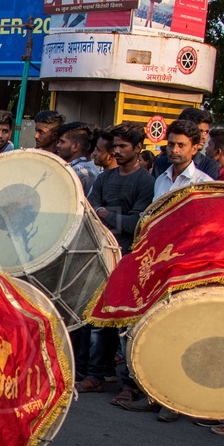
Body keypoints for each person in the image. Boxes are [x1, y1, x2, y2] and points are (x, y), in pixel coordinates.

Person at [79, 123, 153, 396]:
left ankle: (117, 378)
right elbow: (89, 210)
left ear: (138, 149)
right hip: (99, 253)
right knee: (93, 318)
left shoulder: (146, 182)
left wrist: (108, 215)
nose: (117, 151)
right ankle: (93, 373)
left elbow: (137, 222)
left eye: (123, 147)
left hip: (128, 257)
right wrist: (107, 215)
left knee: (118, 322)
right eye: (115, 146)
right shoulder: (104, 178)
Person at [152, 117, 210, 200]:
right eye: (171, 144)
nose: (174, 150)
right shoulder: (161, 180)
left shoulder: (203, 184)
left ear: (194, 149)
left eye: (181, 145)